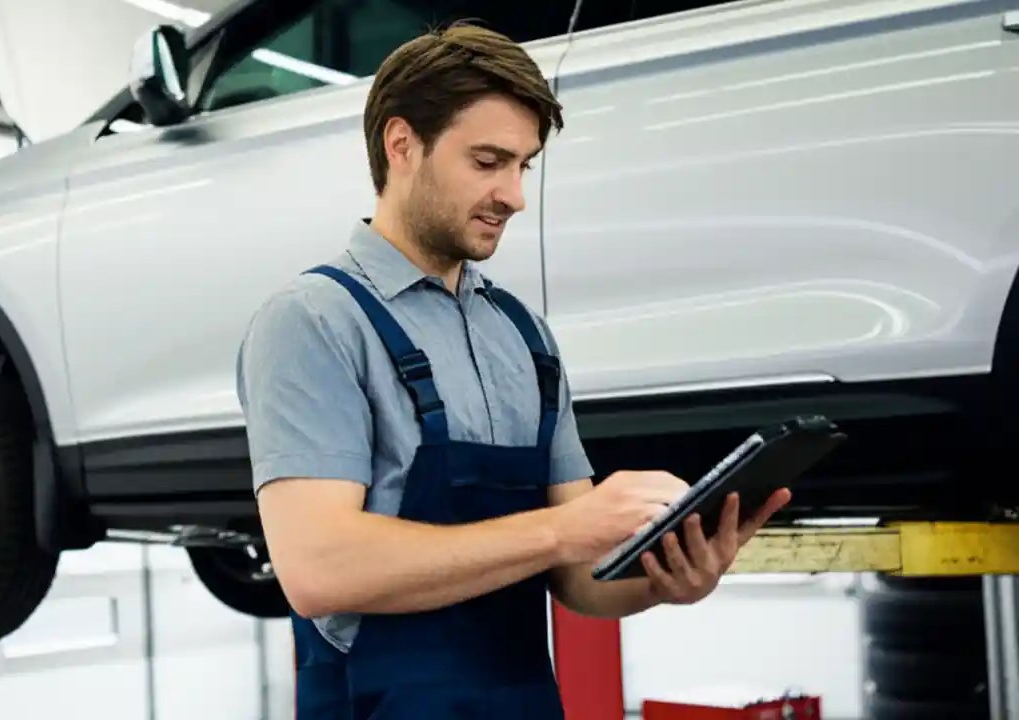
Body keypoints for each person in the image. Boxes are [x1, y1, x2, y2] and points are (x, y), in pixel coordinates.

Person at [235, 20, 792, 720]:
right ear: (401, 144)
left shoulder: (524, 336)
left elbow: (581, 579)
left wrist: (669, 580)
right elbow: (319, 570)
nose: (514, 195)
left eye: (522, 166)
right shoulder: (313, 322)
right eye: (488, 161)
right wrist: (565, 529)